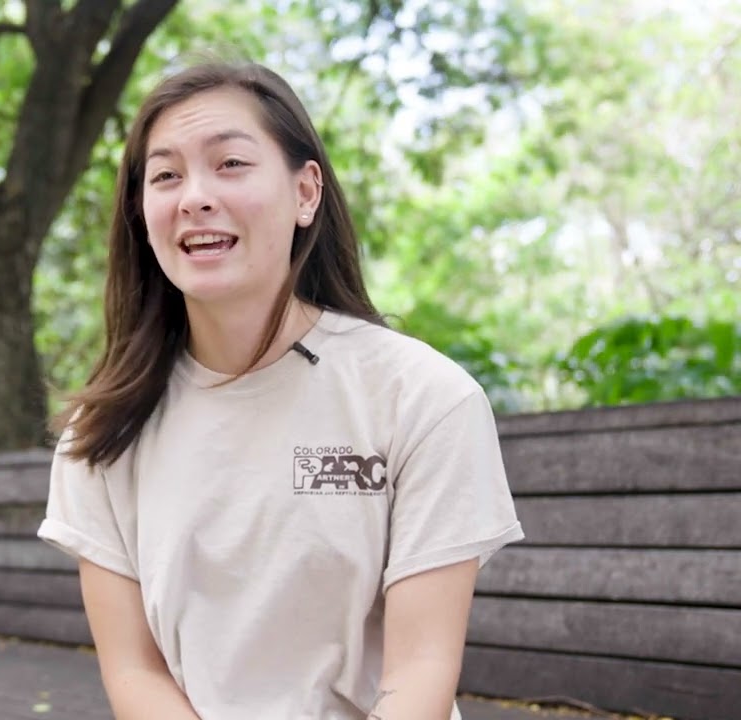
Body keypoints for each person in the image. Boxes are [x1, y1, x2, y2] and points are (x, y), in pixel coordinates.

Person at [36, 60, 524, 720]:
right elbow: (135, 673)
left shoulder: (422, 398)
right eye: (166, 175)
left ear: (305, 193)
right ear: (142, 214)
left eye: (230, 163)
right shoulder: (102, 435)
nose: (195, 197)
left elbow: (420, 673)